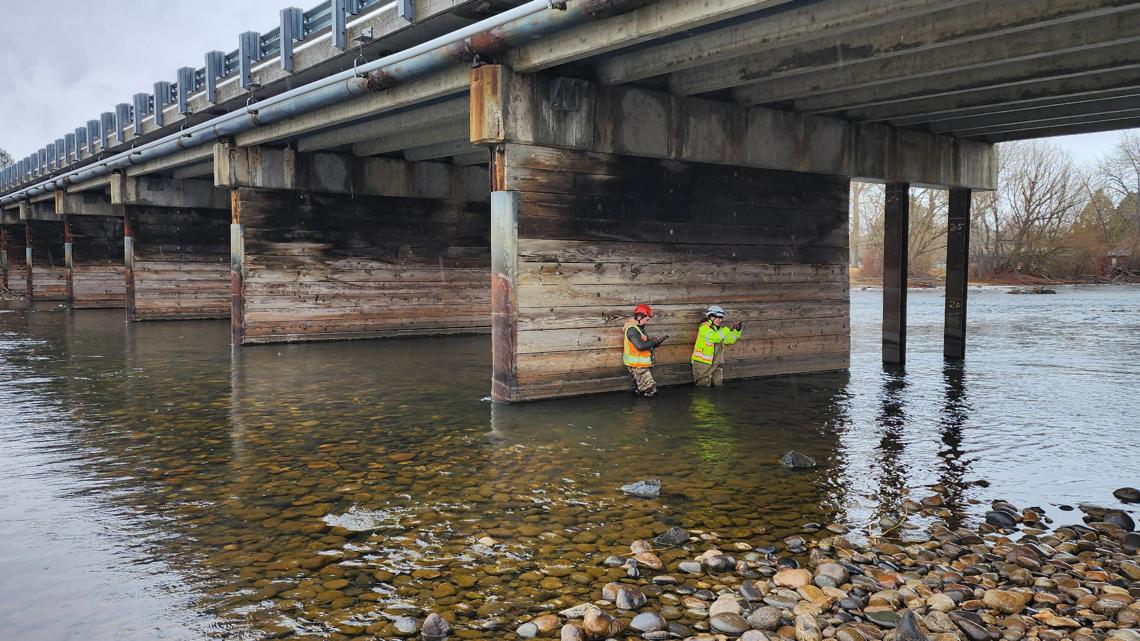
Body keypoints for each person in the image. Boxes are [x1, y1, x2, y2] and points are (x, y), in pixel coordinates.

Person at [690, 305, 743, 387]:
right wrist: (727, 329)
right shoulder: (704, 328)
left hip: (716, 363)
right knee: (703, 387)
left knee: (717, 385)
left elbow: (729, 340)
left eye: (721, 317)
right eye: (719, 317)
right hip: (703, 364)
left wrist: (737, 331)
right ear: (711, 316)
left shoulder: (720, 330)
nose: (720, 320)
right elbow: (715, 338)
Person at [622, 303, 667, 398]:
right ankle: (647, 411)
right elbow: (640, 346)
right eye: (646, 319)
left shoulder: (639, 328)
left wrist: (655, 344)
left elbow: (644, 346)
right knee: (651, 391)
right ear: (639, 317)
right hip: (638, 367)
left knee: (639, 390)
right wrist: (652, 341)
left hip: (639, 366)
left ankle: (638, 410)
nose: (647, 322)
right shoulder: (632, 330)